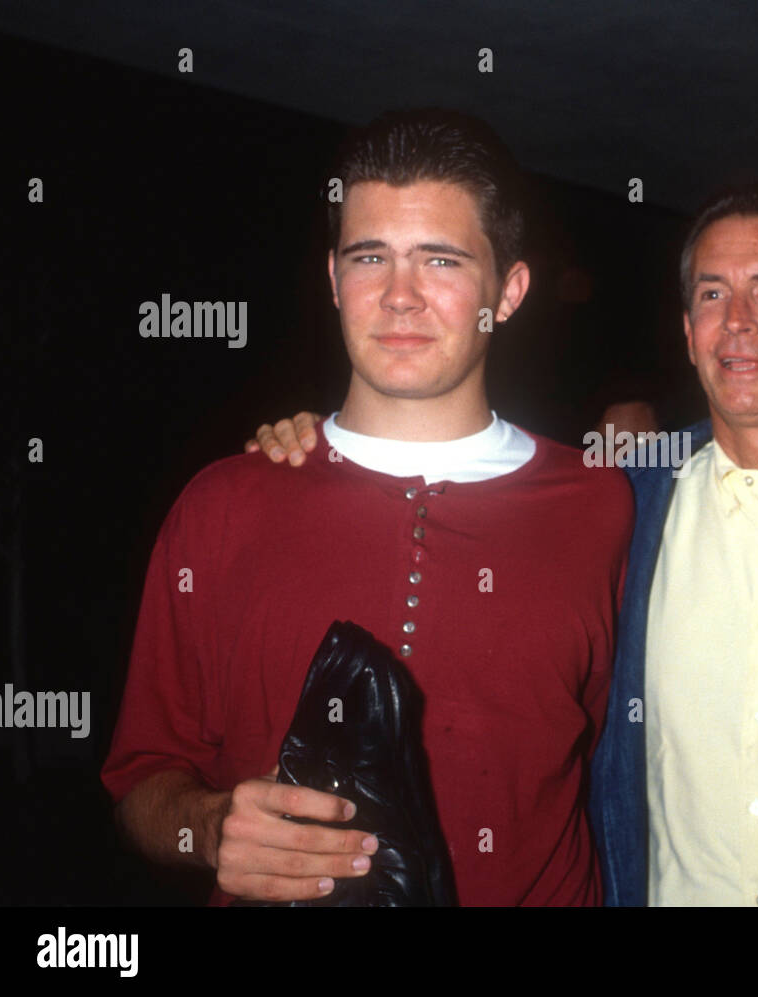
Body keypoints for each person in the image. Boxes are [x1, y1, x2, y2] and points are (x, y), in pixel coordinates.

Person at [255, 183, 758, 906]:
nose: (738, 321)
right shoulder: (618, 507)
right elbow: (469, 496)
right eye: (712, 294)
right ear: (688, 332)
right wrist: (322, 444)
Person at [102, 108, 634, 906]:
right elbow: (140, 782)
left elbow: (623, 758)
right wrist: (207, 827)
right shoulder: (224, 503)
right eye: (369, 257)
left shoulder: (601, 505)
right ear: (332, 279)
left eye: (441, 260)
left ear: (509, 291)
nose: (399, 296)